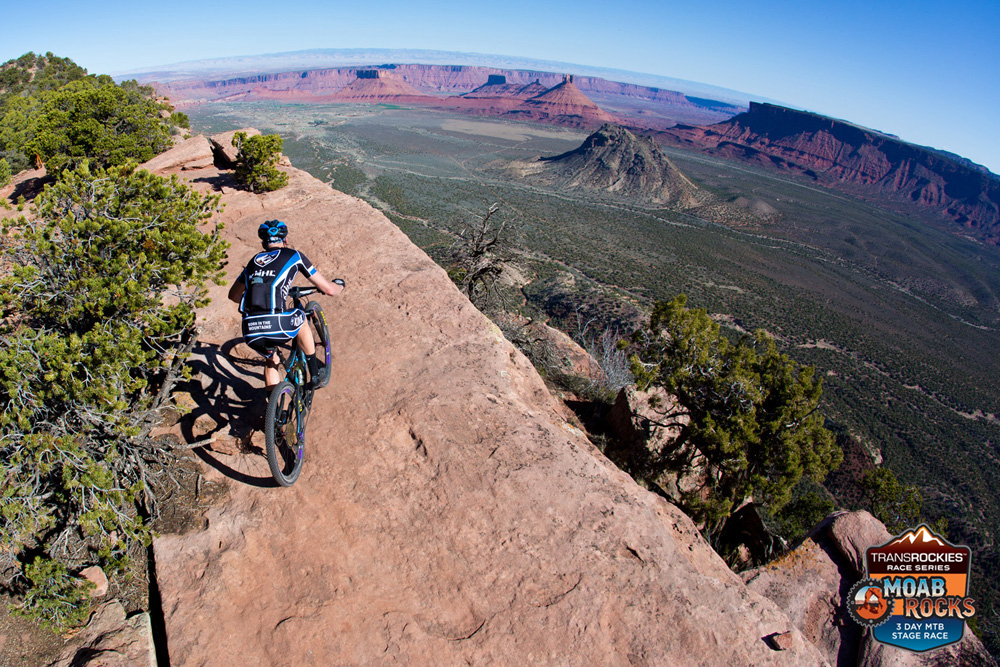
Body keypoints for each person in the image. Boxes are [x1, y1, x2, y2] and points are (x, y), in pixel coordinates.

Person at [228, 220, 344, 390]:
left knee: (271, 359)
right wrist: (339, 285)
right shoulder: (293, 255)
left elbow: (233, 296)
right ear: (285, 240)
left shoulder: (253, 262)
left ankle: (274, 414)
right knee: (301, 318)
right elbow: (328, 289)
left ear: (263, 243)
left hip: (250, 330)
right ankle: (315, 374)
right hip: (278, 324)